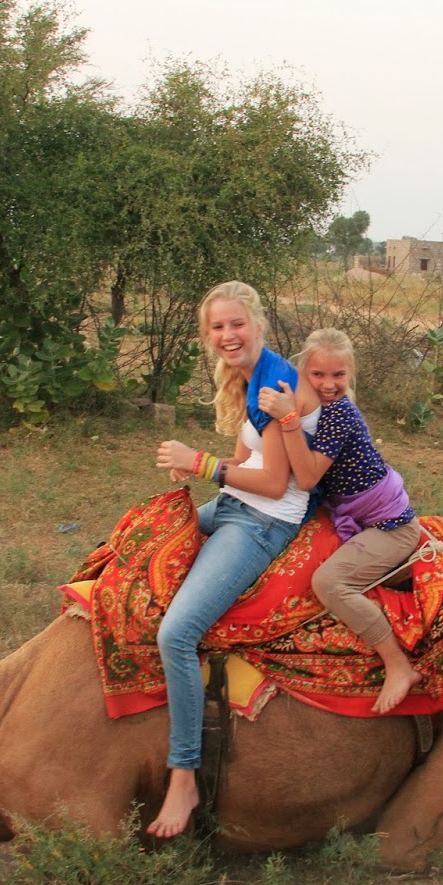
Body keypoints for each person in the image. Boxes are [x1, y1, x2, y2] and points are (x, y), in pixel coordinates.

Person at [146, 281, 319, 839]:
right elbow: (244, 463)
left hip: (262, 522)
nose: (227, 335)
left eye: (236, 324)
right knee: (131, 547)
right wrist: (209, 468)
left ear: (258, 325)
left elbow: (273, 484)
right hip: (232, 505)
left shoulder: (276, 384)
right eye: (217, 327)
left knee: (177, 634)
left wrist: (199, 462)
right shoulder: (250, 375)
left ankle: (184, 775)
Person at [258, 328, 426, 715]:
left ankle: (397, 663)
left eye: (338, 375)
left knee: (328, 582)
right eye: (318, 374)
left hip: (390, 528)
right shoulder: (313, 410)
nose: (328, 384)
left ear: (350, 374)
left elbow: (307, 477)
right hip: (351, 513)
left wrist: (287, 419)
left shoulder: (339, 414)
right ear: (302, 372)